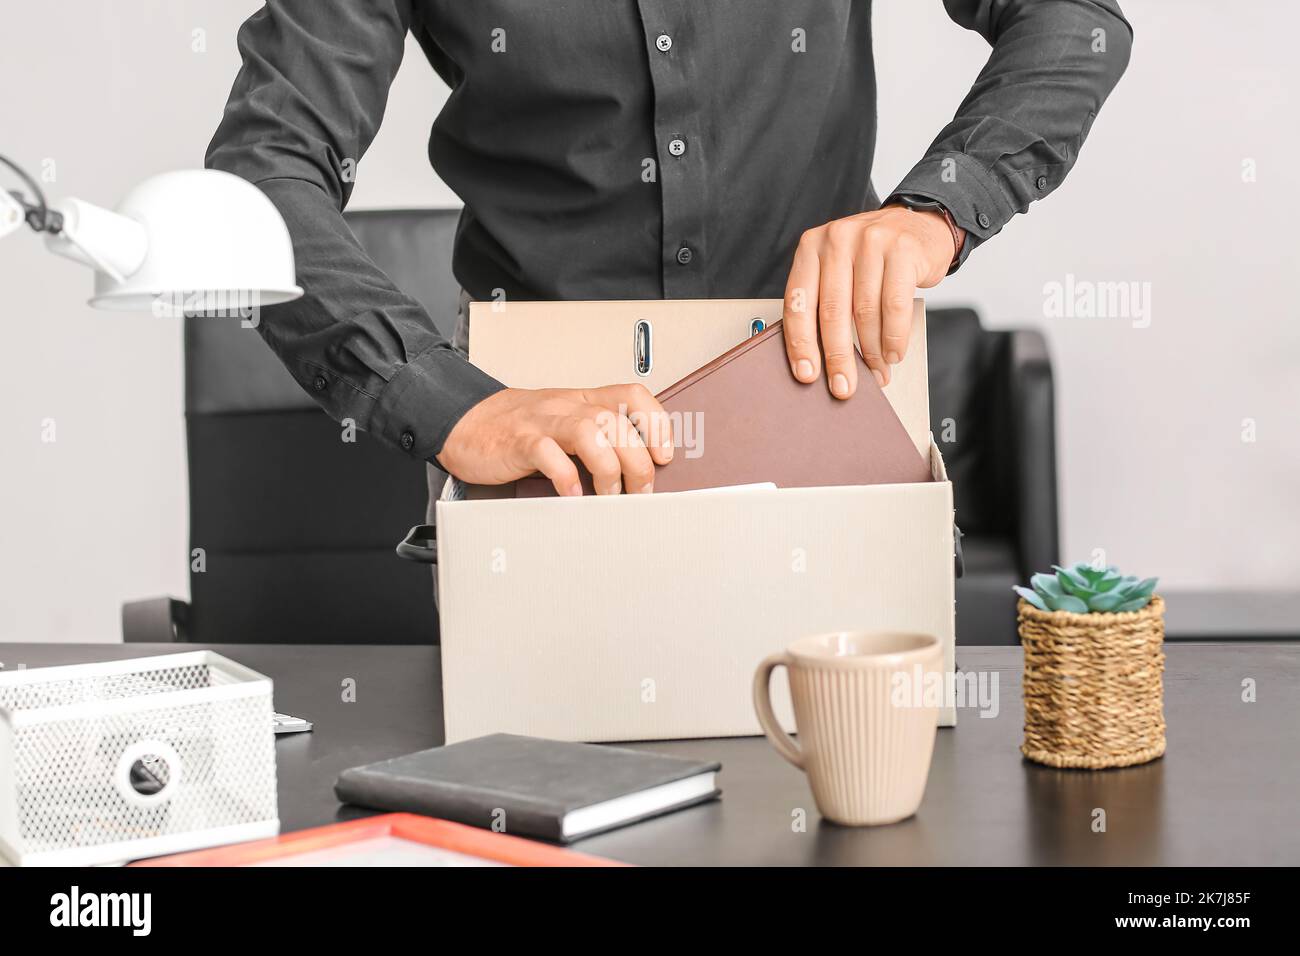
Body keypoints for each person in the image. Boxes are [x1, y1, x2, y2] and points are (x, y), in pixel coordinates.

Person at [207, 1, 1131, 499]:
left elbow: (1075, 17)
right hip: (547, 479)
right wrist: (452, 408)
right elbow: (263, 172)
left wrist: (937, 208)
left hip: (825, 420)